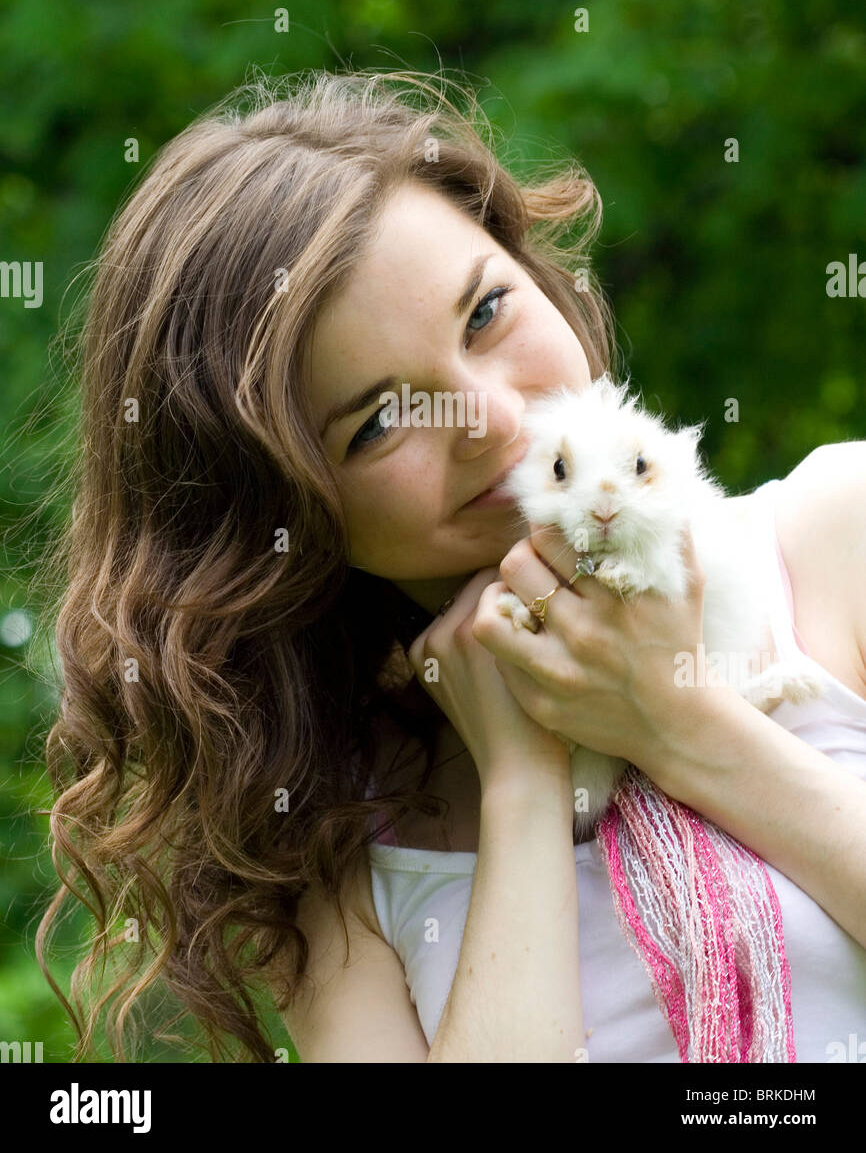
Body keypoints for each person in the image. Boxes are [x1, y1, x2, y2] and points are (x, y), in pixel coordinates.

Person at [37, 68, 866, 1064]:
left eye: (483, 314)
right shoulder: (341, 855)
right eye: (381, 419)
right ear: (287, 515)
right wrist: (521, 779)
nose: (491, 421)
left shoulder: (830, 535)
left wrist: (673, 719)